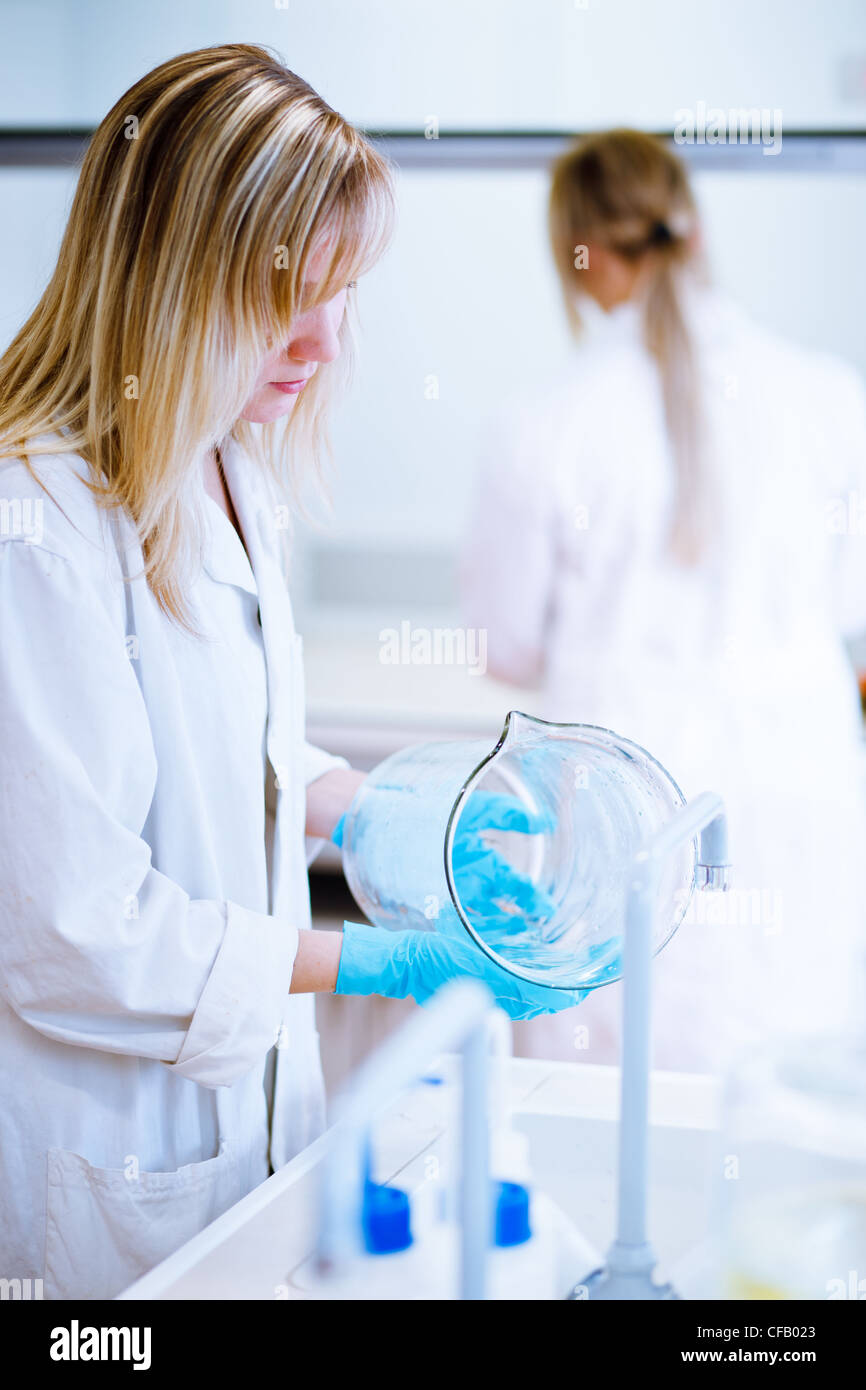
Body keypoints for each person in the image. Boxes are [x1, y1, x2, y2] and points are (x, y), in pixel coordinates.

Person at [0, 44, 581, 1300]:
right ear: (165, 277)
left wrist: (380, 811)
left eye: (344, 292)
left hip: (251, 1140)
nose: (323, 343)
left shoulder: (223, 467)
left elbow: (226, 747)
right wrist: (371, 959)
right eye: (288, 295)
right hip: (107, 1174)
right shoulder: (34, 524)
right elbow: (75, 931)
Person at [462, 129, 866, 1075]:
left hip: (624, 807)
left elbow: (503, 644)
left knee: (616, 1120)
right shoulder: (829, 399)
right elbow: (853, 603)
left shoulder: (545, 424)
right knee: (788, 1103)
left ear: (584, 253)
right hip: (799, 793)